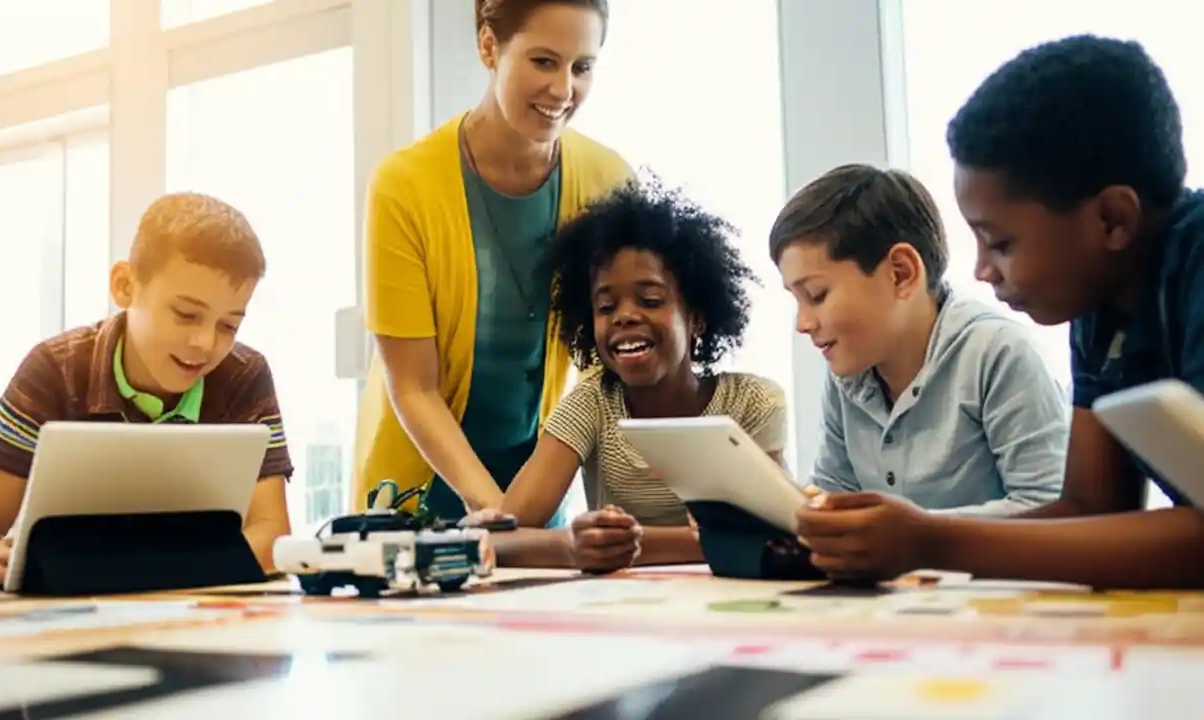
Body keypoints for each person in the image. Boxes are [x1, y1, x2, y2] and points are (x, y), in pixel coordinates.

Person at [794, 34, 1204, 589]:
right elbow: (1089, 510)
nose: (982, 270)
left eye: (1001, 243)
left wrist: (934, 541)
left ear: (1111, 220)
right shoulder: (1101, 302)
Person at [354, 0, 631, 524]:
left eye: (582, 66)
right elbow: (413, 386)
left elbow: (609, 366)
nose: (563, 89)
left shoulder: (609, 181)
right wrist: (498, 512)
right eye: (543, 61)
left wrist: (529, 510)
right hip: (414, 492)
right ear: (488, 46)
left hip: (536, 485)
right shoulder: (403, 185)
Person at [0, 193, 293, 588]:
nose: (204, 343)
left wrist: (140, 575)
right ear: (124, 286)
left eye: (228, 325)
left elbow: (272, 534)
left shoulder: (245, 376)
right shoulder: (55, 369)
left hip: (188, 614)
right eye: (186, 314)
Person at [475, 177, 786, 573]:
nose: (624, 315)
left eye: (651, 300)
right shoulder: (592, 403)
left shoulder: (753, 404)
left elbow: (779, 535)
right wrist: (572, 547)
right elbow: (503, 535)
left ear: (697, 319)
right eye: (605, 307)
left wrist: (634, 546)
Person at [771, 163, 1067, 516]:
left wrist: (911, 535)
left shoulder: (998, 353)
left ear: (901, 273)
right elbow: (837, 502)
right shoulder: (848, 376)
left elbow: (1047, 507)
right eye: (797, 299)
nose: (803, 324)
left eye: (817, 295)